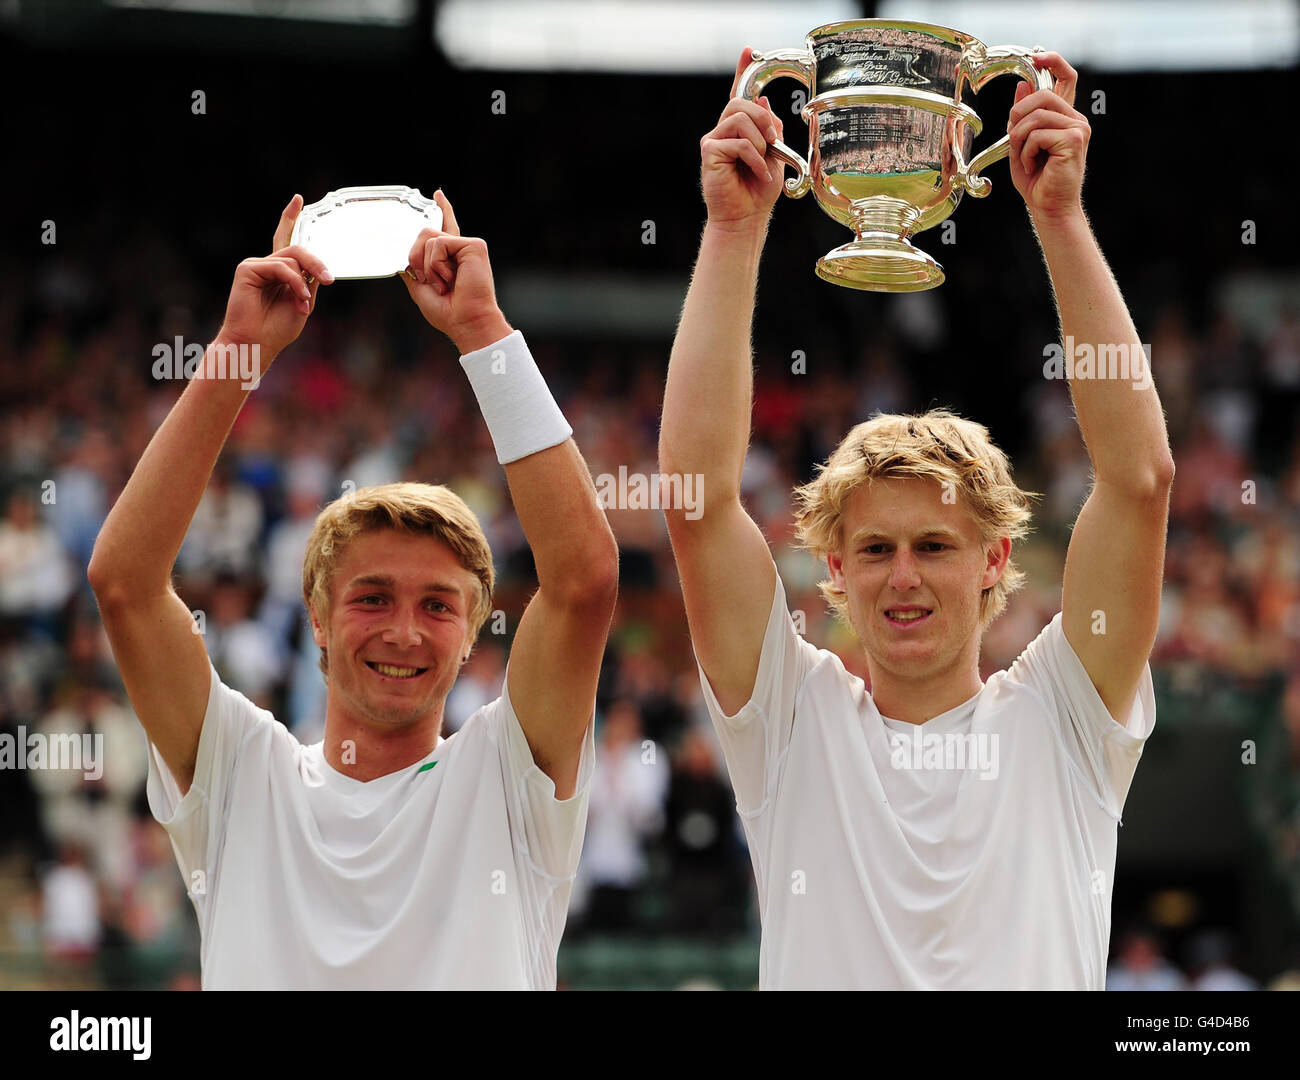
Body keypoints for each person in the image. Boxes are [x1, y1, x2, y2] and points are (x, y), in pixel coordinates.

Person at [659, 49, 1174, 989]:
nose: (903, 575)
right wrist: (733, 230)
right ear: (836, 572)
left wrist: (1057, 218)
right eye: (877, 549)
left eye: (935, 545)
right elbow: (696, 503)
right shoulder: (791, 718)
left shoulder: (1067, 714)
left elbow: (1138, 481)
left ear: (995, 559)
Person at [88, 192, 618, 989]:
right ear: (317, 620)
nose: (404, 631)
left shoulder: (507, 775)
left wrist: (483, 332)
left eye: (438, 605)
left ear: (473, 630)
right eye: (372, 597)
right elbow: (124, 585)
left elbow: (583, 582)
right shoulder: (240, 772)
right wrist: (237, 349)